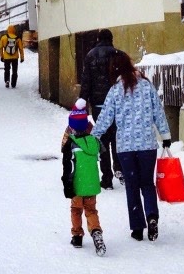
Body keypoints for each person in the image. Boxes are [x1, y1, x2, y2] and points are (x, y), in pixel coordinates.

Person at [91, 52, 171, 243]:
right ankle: (152, 216)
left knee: (132, 187)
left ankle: (137, 228)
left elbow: (105, 117)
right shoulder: (146, 86)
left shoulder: (115, 90)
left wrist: (94, 137)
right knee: (147, 184)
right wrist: (165, 135)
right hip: (147, 146)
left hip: (126, 148)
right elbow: (158, 112)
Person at [78, 28, 123, 188]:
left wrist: (82, 101)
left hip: (99, 105)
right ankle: (120, 168)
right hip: (117, 105)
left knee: (103, 139)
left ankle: (107, 179)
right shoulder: (119, 55)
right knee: (118, 136)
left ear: (98, 39)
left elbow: (86, 81)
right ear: (111, 39)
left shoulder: (90, 56)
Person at [61, 99, 106, 256]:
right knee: (91, 210)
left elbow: (67, 164)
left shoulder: (71, 144)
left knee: (76, 209)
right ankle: (96, 232)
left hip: (77, 184)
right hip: (92, 184)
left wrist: (66, 183)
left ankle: (77, 236)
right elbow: (103, 152)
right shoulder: (94, 141)